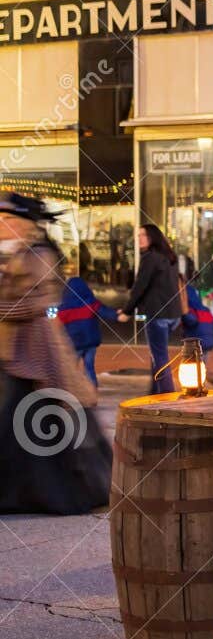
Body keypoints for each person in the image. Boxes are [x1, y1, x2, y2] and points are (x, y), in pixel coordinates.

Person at [0, 193, 111, 515]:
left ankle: (55, 491)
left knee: (37, 415)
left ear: (23, 222)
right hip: (8, 348)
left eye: (7, 219)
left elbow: (37, 301)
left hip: (35, 348)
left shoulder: (39, 252)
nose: (2, 224)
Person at [119, 223, 184, 394]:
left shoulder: (150, 258)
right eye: (138, 235)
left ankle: (166, 394)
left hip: (158, 314)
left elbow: (140, 287)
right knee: (157, 354)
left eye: (143, 235)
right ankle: (154, 392)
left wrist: (127, 311)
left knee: (160, 357)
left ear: (152, 237)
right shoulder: (169, 257)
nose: (139, 238)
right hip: (173, 314)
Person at [57, 272, 119, 387]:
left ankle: (70, 391)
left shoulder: (63, 308)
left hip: (74, 343)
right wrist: (117, 315)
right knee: (89, 368)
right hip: (90, 342)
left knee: (71, 369)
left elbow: (58, 326)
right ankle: (92, 392)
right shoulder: (90, 303)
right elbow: (104, 311)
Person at [180, 267, 213, 382]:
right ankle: (206, 376)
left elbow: (191, 321)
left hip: (197, 339)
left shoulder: (186, 295)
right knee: (202, 360)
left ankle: (200, 382)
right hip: (209, 340)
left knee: (194, 363)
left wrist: (184, 314)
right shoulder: (205, 310)